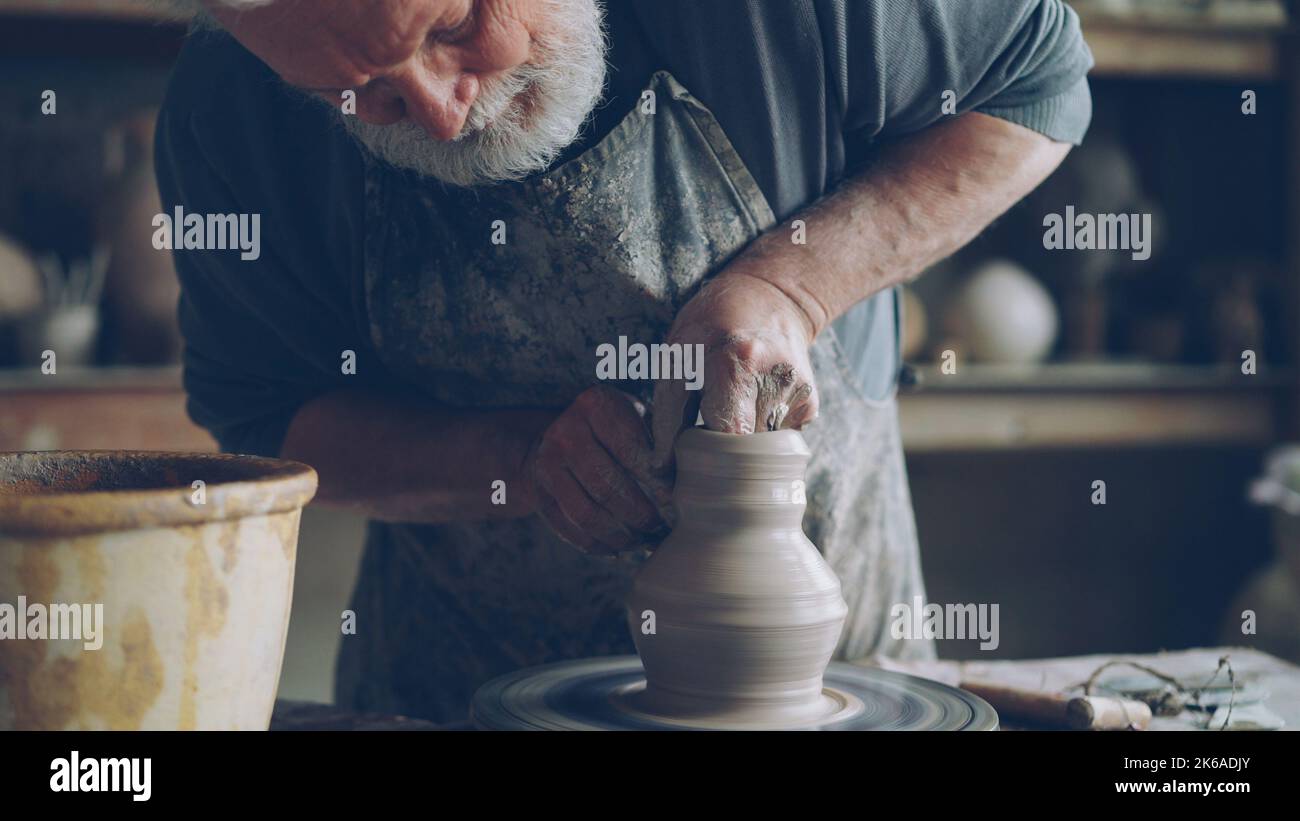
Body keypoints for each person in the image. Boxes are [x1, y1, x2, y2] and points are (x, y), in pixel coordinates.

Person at [157, 0, 1093, 723]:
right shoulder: (234, 95)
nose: (440, 111)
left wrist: (796, 287)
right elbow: (267, 419)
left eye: (453, 23)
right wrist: (514, 464)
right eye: (360, 93)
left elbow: (1036, 83)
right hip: (468, 685)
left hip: (835, 677)